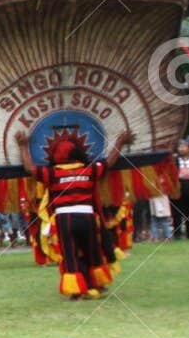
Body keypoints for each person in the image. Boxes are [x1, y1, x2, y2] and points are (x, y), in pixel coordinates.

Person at [16, 126, 131, 299]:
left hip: (65, 218)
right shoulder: (90, 170)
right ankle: (96, 285)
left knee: (69, 253)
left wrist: (23, 146)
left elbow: (30, 169)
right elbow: (109, 162)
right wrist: (120, 143)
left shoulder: (52, 173)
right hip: (88, 217)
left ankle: (76, 290)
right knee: (92, 251)